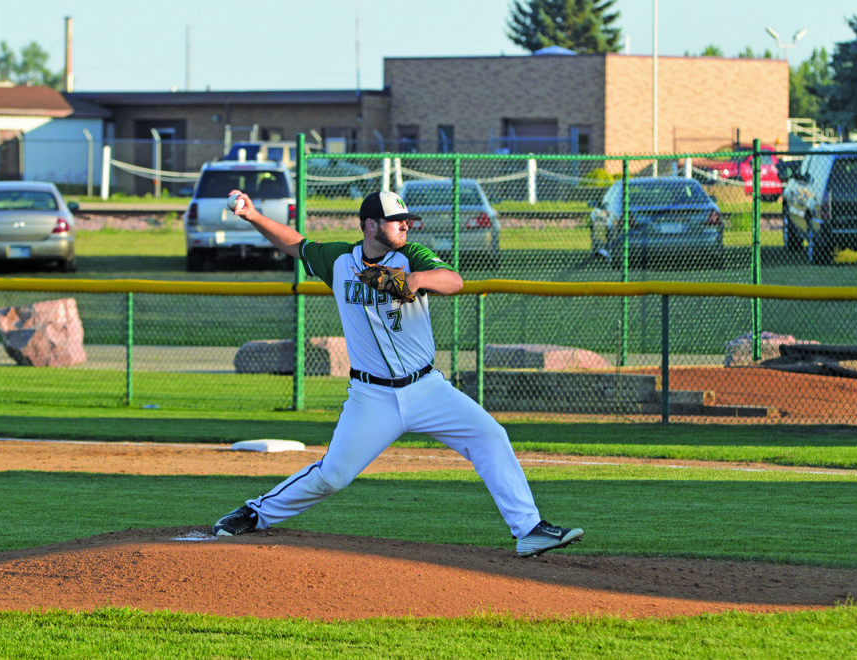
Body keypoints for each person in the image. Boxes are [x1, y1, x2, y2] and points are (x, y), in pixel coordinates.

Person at [212, 190, 583, 557]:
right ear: (370, 225)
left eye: (407, 220)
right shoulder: (340, 260)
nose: (405, 225)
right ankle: (255, 512)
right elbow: (296, 244)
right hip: (371, 397)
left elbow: (454, 281)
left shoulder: (411, 256)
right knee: (333, 475)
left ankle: (530, 530)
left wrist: (417, 280)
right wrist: (253, 216)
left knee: (490, 435)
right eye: (396, 220)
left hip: (427, 389)